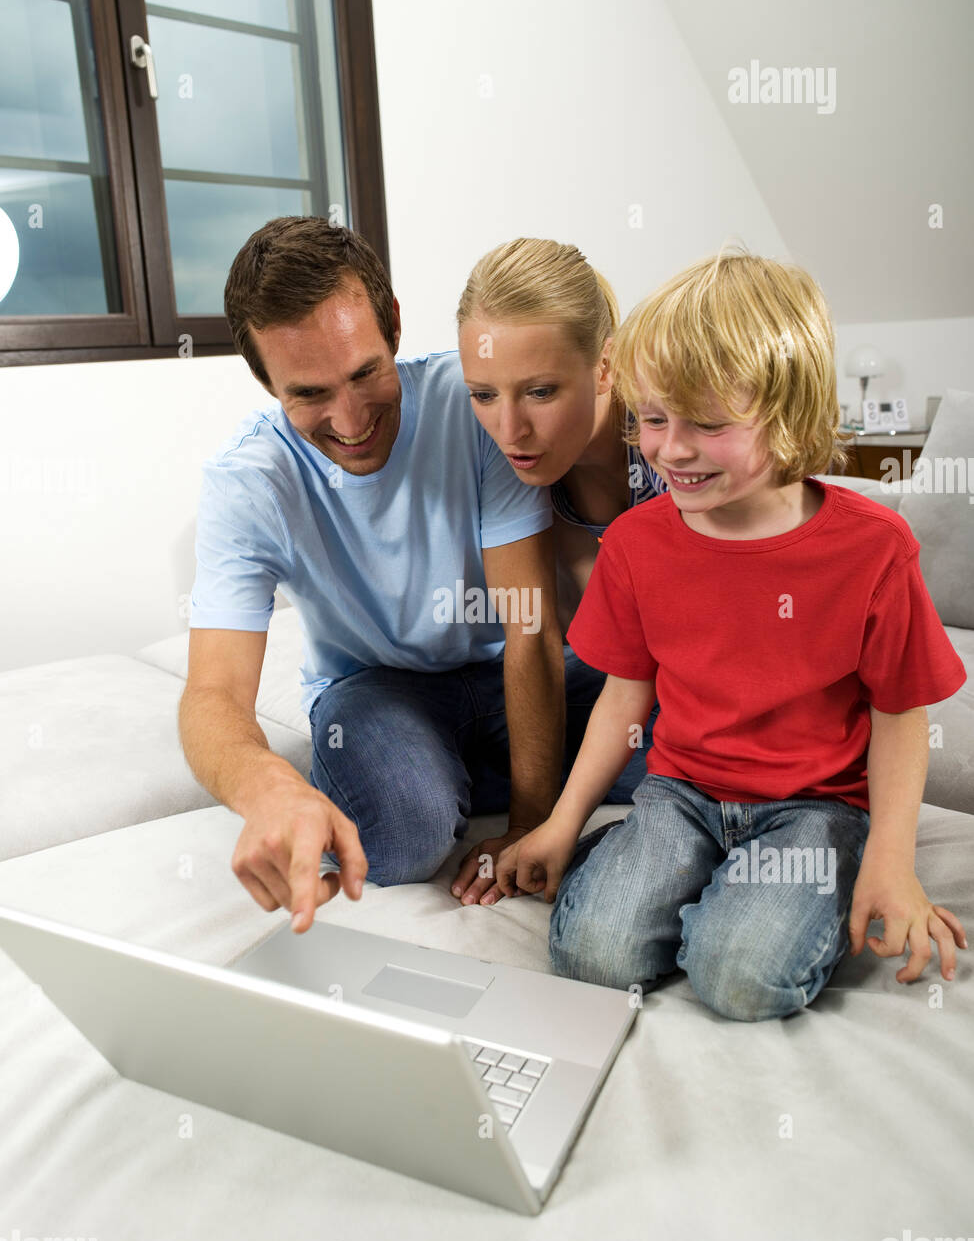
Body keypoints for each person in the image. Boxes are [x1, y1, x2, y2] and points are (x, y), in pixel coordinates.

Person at [492, 248, 968, 1020]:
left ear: (789, 414)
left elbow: (900, 711)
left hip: (817, 807)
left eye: (707, 424)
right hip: (680, 793)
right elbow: (623, 699)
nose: (671, 450)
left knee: (739, 978)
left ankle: (800, 888)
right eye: (651, 419)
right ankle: (638, 868)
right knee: (592, 956)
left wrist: (890, 859)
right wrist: (561, 822)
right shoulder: (638, 544)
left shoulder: (874, 548)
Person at [177, 218, 630, 930]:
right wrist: (265, 784)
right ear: (265, 382)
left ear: (392, 324)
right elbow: (211, 695)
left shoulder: (476, 400)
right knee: (404, 836)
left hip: (524, 670)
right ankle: (423, 768)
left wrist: (531, 821)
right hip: (380, 691)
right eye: (309, 394)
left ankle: (468, 771)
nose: (352, 418)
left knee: (697, 748)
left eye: (365, 373)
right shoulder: (249, 483)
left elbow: (530, 631)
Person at [452, 237, 664, 904]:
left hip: (687, 691)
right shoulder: (510, 466)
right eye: (484, 395)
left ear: (604, 368)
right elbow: (532, 636)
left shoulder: (674, 450)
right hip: (594, 684)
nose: (509, 428)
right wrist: (527, 822)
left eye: (540, 392)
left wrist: (548, 815)